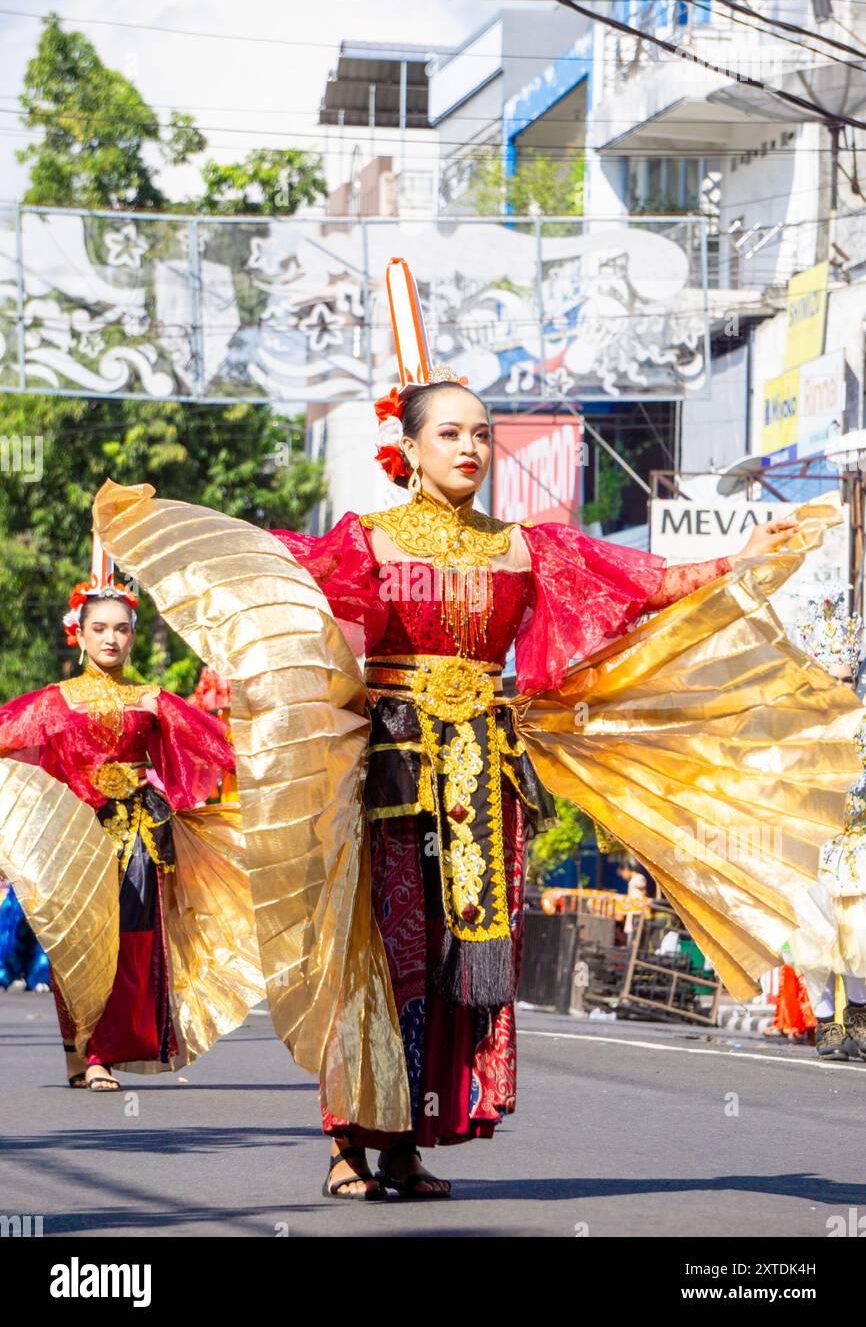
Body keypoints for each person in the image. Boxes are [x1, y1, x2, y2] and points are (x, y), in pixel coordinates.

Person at [86, 259, 862, 1202]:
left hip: (484, 777)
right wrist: (172, 537)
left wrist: (733, 560)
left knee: (459, 964)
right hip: (385, 775)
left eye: (482, 434)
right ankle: (346, 1140)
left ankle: (410, 1143)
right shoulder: (365, 542)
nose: (472, 447)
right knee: (380, 952)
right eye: (450, 432)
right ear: (406, 449)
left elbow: (640, 584)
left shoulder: (526, 545)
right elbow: (276, 594)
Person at [0, 558, 265, 1090]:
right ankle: (81, 1052)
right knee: (76, 940)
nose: (112, 638)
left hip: (138, 834)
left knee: (130, 940)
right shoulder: (52, 703)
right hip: (71, 838)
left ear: (133, 637)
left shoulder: (151, 699)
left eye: (122, 629)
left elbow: (221, 747)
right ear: (79, 633)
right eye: (100, 628)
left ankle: (101, 1052)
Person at [788, 589, 866, 1061]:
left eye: (849, 678)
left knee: (859, 935)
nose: (843, 687)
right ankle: (825, 1026)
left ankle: (858, 1020)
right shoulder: (799, 726)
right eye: (834, 679)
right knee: (816, 940)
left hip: (859, 848)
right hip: (811, 845)